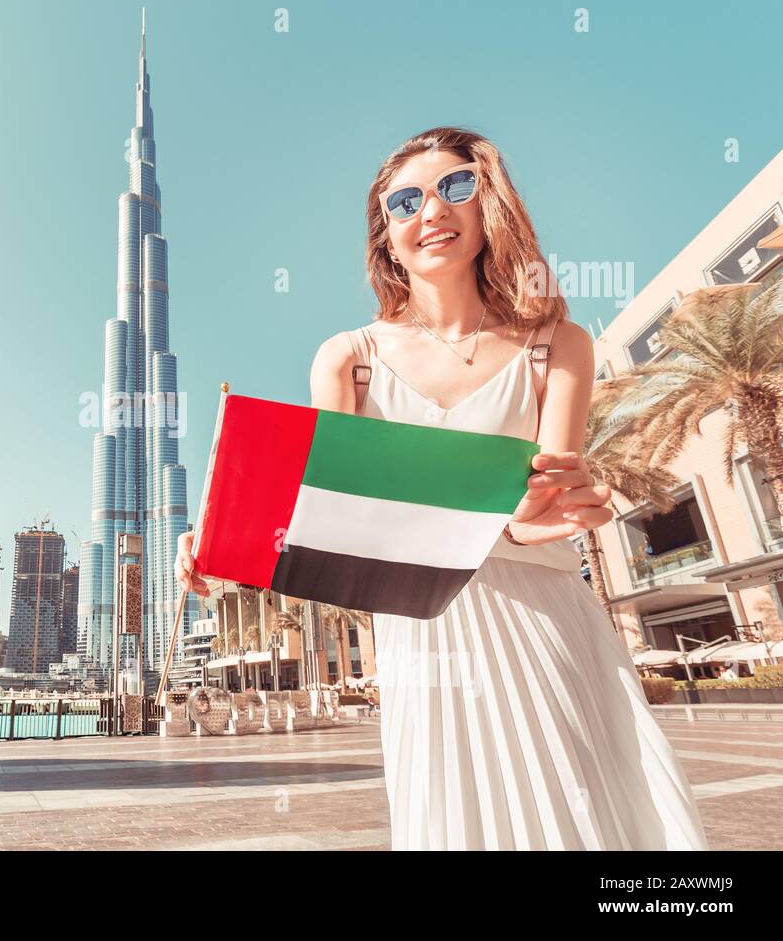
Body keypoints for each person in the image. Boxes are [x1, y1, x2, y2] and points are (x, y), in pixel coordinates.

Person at [177, 126, 709, 851]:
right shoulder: (347, 359)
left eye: (457, 187)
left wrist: (548, 512)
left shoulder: (558, 344)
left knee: (577, 817)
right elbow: (334, 523)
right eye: (405, 201)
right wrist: (222, 543)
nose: (432, 211)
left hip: (545, 620)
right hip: (422, 640)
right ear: (386, 238)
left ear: (490, 204)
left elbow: (542, 504)